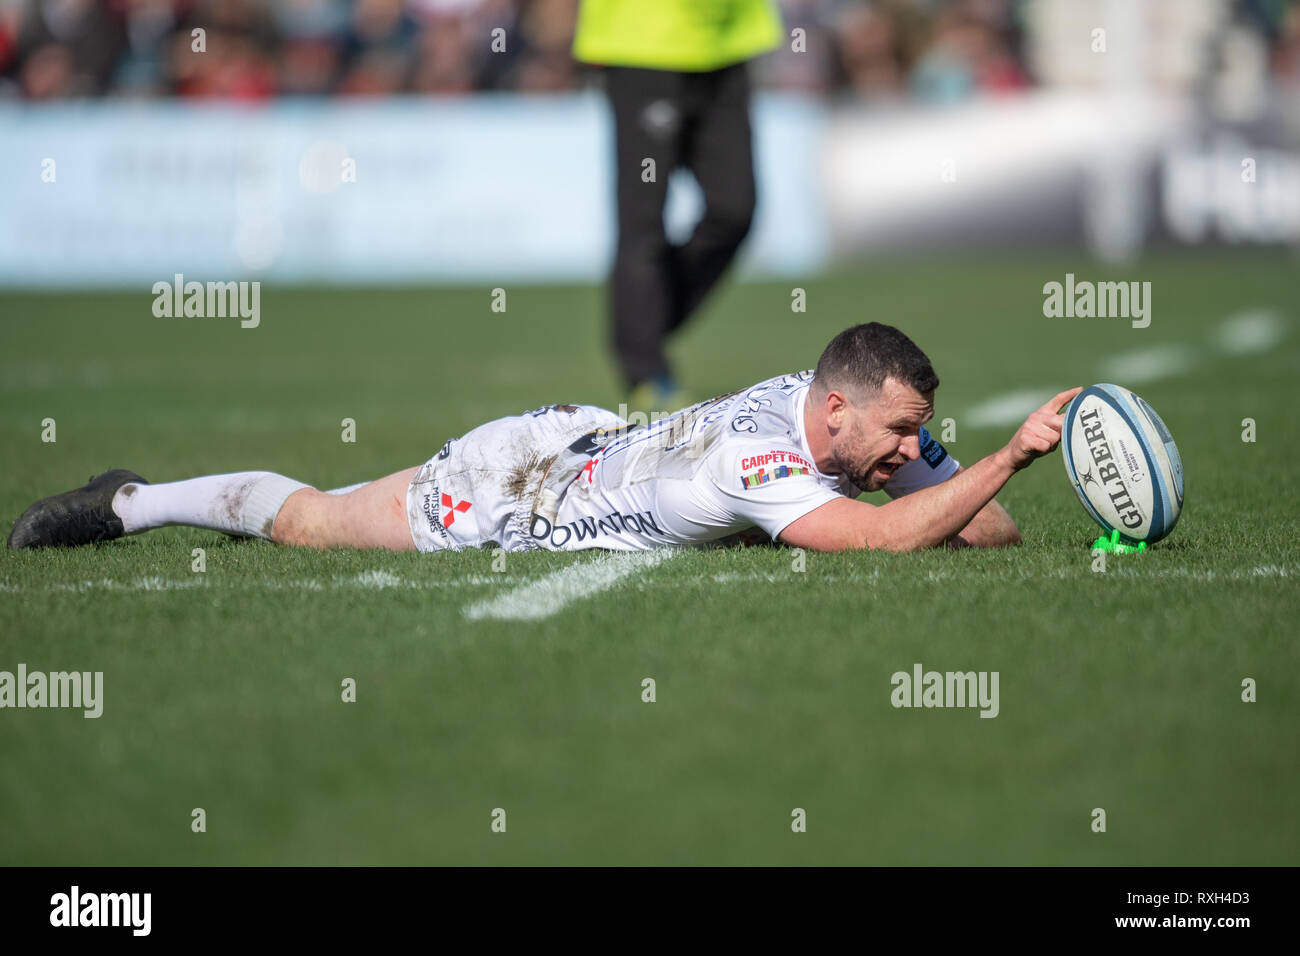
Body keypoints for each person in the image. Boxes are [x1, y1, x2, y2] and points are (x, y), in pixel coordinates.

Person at [8, 323, 1080, 555]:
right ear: (835, 410)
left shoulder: (831, 412)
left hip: (592, 438)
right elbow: (894, 542)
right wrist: (1012, 451)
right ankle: (131, 500)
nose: (907, 454)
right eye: (900, 434)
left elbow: (990, 535)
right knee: (313, 522)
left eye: (916, 439)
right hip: (516, 486)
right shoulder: (757, 457)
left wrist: (948, 469)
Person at [573, 0, 782, 412]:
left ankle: (642, 323)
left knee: (734, 209)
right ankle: (645, 370)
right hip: (643, 44)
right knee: (644, 221)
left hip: (727, 41)